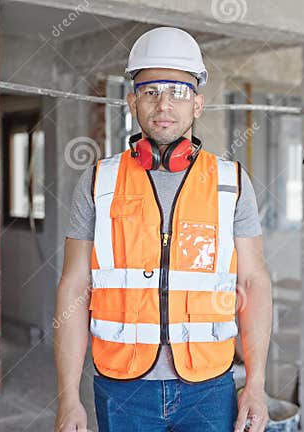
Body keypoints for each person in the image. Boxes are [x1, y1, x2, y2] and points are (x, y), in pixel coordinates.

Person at [54, 27, 271, 432]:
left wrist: (255, 384)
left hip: (209, 385)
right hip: (122, 385)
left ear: (198, 103)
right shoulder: (99, 182)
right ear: (132, 100)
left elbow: (253, 282)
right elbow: (73, 286)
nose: (164, 104)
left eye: (179, 91)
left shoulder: (231, 183)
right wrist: (68, 397)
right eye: (151, 91)